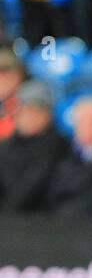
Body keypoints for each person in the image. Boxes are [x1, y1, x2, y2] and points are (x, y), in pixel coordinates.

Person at [0, 81, 70, 213]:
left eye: (38, 111)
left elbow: (33, 185)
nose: (31, 117)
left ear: (49, 115)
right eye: (27, 110)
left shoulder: (57, 145)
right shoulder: (4, 146)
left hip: (40, 221)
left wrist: (5, 215)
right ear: (16, 113)